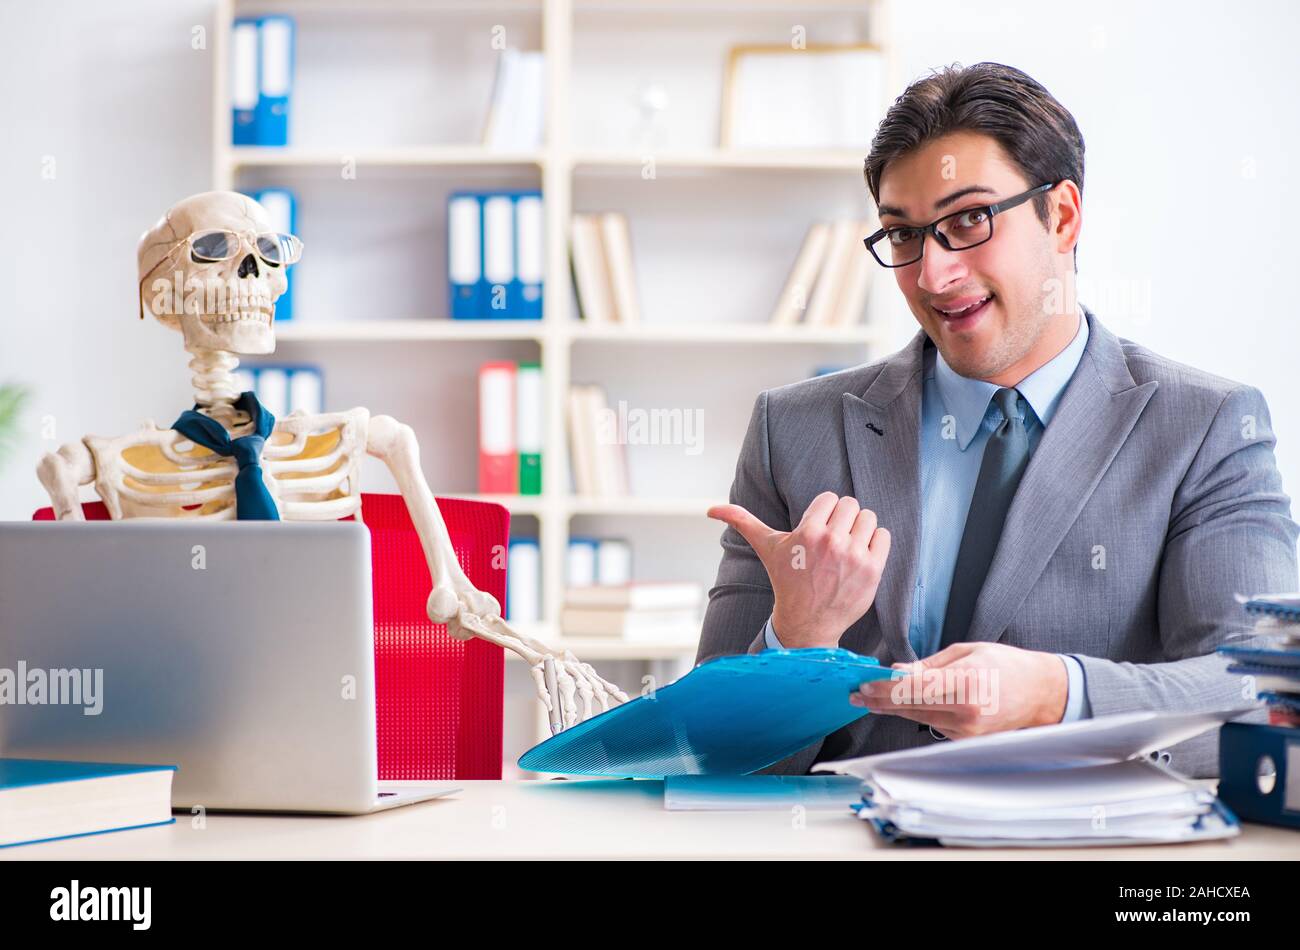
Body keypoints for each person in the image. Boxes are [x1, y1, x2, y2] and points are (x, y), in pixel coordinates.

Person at [698, 62, 1298, 778]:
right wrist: (796, 638)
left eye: (968, 220)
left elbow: (1261, 699)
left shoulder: (1206, 429)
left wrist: (1057, 695)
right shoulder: (793, 430)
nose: (932, 276)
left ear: (1063, 216)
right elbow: (711, 752)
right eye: (904, 235)